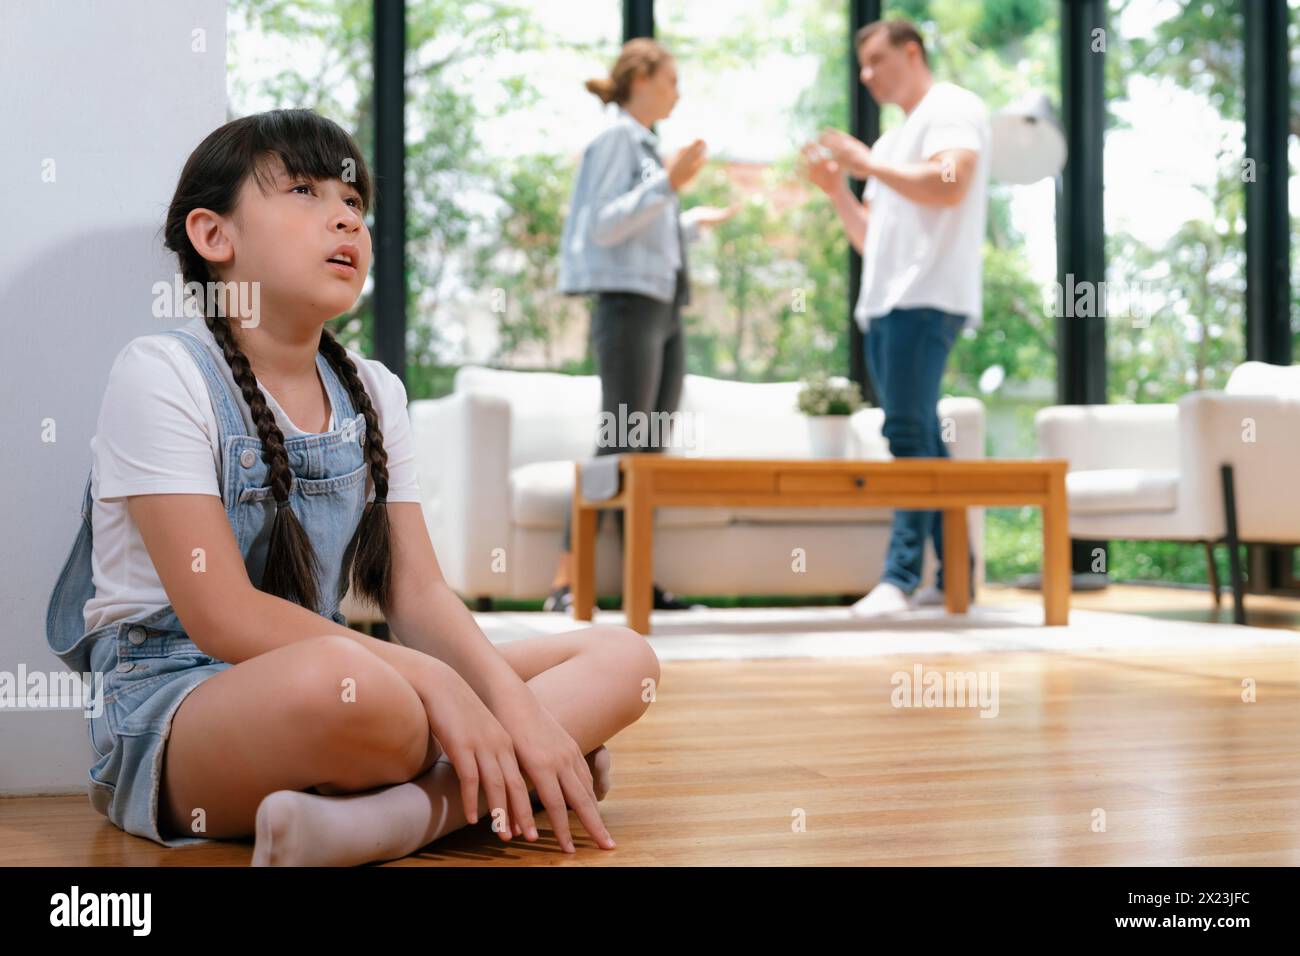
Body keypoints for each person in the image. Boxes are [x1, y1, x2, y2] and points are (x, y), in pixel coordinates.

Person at [45, 109, 660, 865]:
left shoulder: (375, 390)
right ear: (214, 236)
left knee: (623, 658)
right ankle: (515, 774)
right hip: (176, 708)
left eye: (354, 203)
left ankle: (395, 818)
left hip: (350, 678)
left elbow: (419, 598)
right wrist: (459, 693)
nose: (343, 216)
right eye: (304, 191)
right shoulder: (161, 373)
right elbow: (222, 617)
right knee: (361, 692)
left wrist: (492, 700)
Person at [801, 18, 987, 618]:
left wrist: (866, 165)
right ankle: (956, 575)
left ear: (913, 52)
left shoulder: (950, 107)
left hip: (926, 299)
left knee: (906, 434)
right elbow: (870, 239)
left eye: (878, 60)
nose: (867, 74)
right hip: (886, 304)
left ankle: (900, 577)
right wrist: (838, 189)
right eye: (863, 64)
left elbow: (952, 182)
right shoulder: (889, 143)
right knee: (922, 434)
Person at [548, 38, 737, 616]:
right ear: (644, 78)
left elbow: (643, 232)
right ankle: (565, 582)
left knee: (648, 448)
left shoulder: (649, 149)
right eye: (672, 79)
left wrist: (690, 223)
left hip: (661, 306)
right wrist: (669, 187)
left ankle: (637, 584)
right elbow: (601, 227)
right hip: (628, 306)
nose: (678, 91)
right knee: (622, 437)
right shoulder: (616, 141)